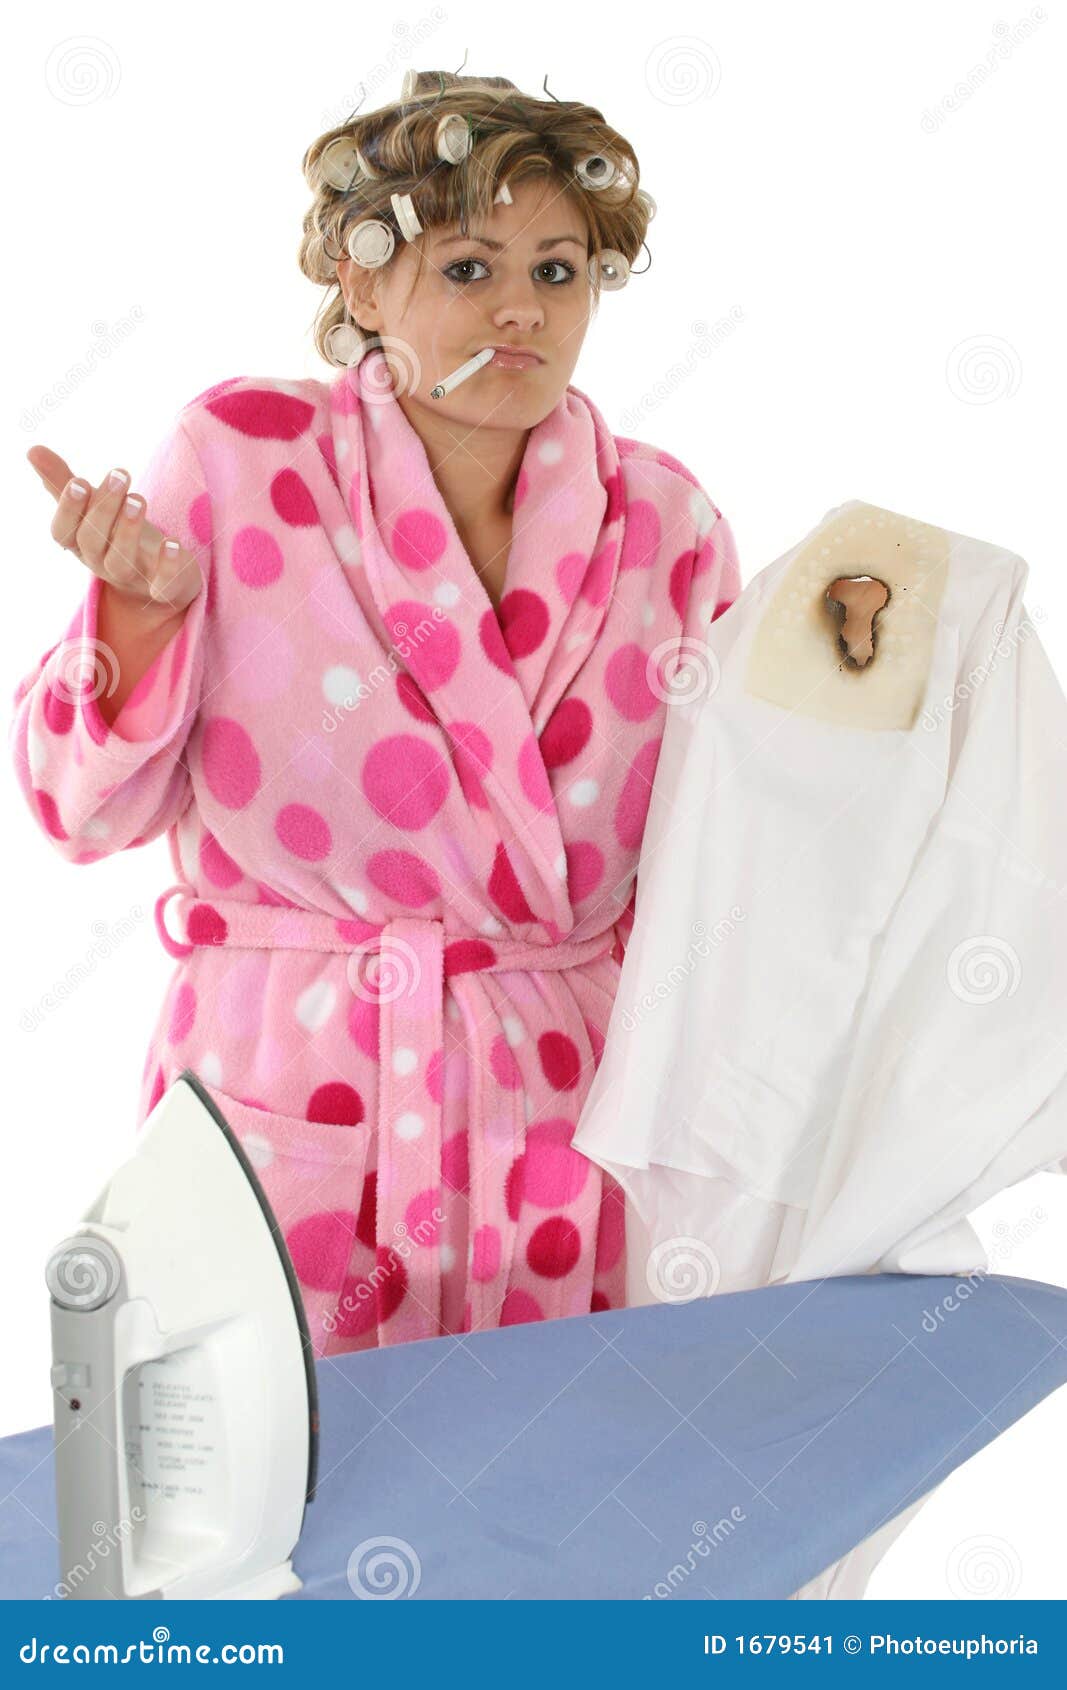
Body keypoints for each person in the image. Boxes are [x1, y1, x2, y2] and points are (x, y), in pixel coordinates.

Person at [12, 70, 741, 1360]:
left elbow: (732, 851)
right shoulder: (241, 457)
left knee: (555, 1463)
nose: (521, 309)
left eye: (559, 271)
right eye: (468, 268)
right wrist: (138, 625)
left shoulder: (667, 524)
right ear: (361, 285)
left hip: (561, 1117)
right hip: (295, 1087)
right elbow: (78, 815)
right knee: (262, 1460)